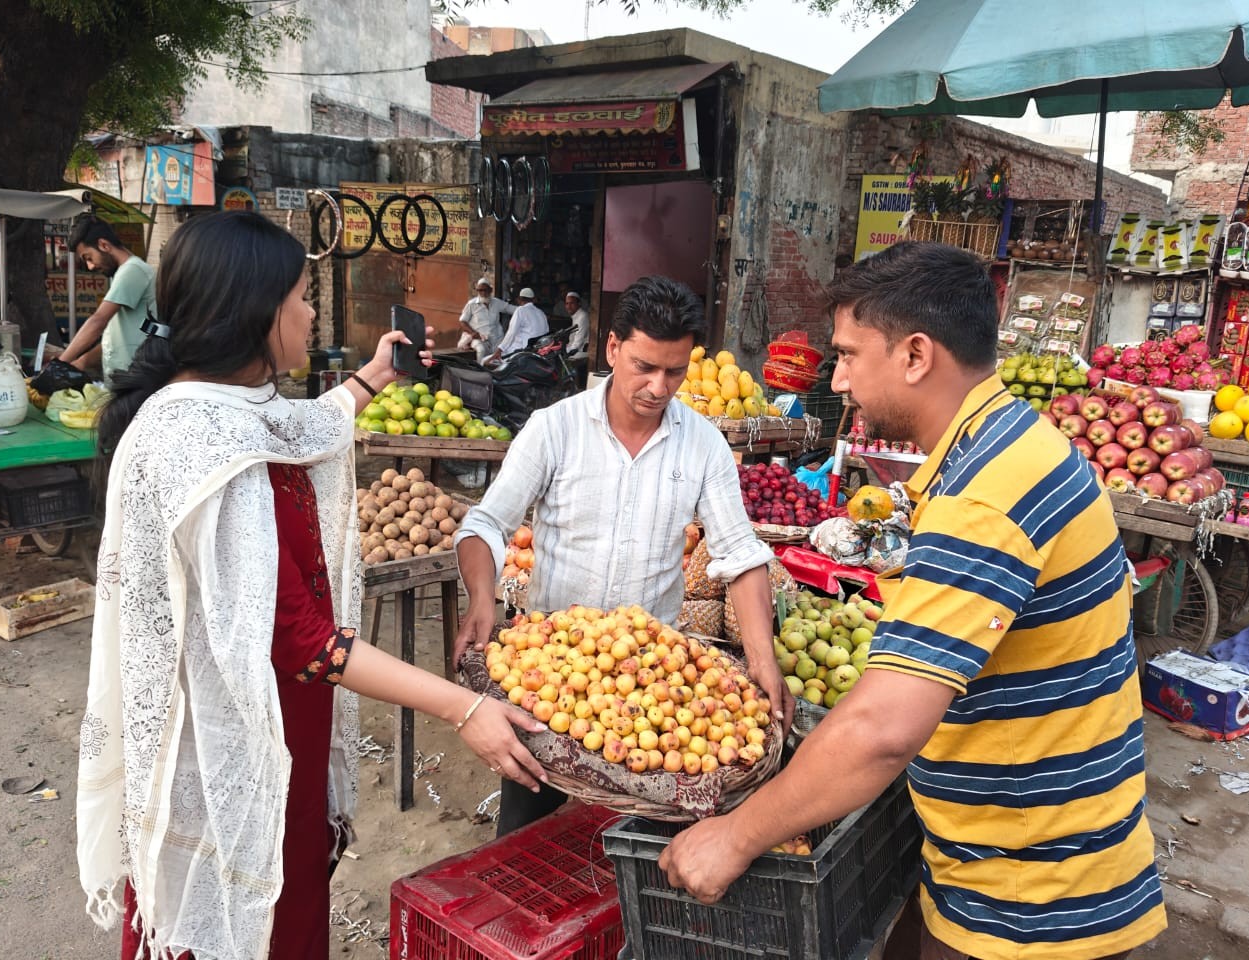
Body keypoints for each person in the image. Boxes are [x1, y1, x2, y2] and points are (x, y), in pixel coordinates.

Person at [659, 242, 1167, 960]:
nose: (837, 379)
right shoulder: (1008, 439)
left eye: (847, 355)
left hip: (1030, 897)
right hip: (1017, 854)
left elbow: (884, 729)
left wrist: (734, 837)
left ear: (916, 355)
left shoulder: (985, 495)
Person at [75, 211, 547, 960]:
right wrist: (464, 707)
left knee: (283, 905)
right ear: (255, 312)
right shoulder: (194, 440)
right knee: (231, 919)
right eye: (300, 296)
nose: (311, 311)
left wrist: (375, 376)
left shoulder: (232, 412)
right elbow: (299, 638)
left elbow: (302, 428)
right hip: (226, 738)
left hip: (277, 729)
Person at [454, 274, 791, 835]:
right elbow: (486, 524)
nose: (659, 387)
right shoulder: (554, 429)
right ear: (612, 348)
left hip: (649, 677)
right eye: (644, 367)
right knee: (528, 827)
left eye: (675, 371)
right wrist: (482, 599)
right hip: (551, 670)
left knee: (636, 842)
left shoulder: (703, 444)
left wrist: (761, 658)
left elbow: (739, 554)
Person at [56, 214, 156, 382]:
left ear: (103, 245)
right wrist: (80, 362)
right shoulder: (120, 274)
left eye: (88, 258)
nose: (90, 266)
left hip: (137, 382)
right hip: (124, 383)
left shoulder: (133, 270)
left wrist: (60, 364)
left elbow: (97, 322)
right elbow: (115, 341)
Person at [485, 286, 548, 365]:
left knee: (486, 361)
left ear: (519, 299)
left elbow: (511, 333)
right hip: (537, 351)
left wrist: (499, 351)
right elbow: (546, 333)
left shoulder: (520, 310)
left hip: (521, 351)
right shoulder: (541, 313)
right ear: (533, 299)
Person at [456, 276, 510, 363]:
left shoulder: (496, 302)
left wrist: (527, 307)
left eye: (485, 290)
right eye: (480, 290)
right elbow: (463, 321)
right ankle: (480, 372)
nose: (483, 293)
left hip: (496, 338)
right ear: (477, 291)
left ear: (490, 290)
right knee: (481, 350)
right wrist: (473, 332)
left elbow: (511, 309)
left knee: (504, 352)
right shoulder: (472, 304)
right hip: (479, 338)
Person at [563, 291, 590, 357]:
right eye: (567, 303)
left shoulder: (582, 316)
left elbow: (578, 342)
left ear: (579, 303)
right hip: (574, 349)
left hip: (580, 351)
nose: (569, 306)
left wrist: (566, 352)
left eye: (572, 303)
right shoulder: (575, 316)